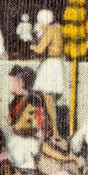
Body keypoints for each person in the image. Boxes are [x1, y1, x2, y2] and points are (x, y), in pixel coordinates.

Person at [5, 96, 88, 175]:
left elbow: (52, 152)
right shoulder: (6, 136)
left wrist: (71, 158)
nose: (33, 117)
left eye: (35, 113)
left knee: (70, 169)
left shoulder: (33, 137)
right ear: (18, 113)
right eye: (30, 113)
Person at [29, 8, 66, 140]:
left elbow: (39, 49)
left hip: (51, 66)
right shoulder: (57, 29)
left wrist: (31, 46)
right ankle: (50, 129)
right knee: (49, 101)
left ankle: (55, 132)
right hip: (57, 64)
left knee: (48, 100)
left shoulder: (50, 31)